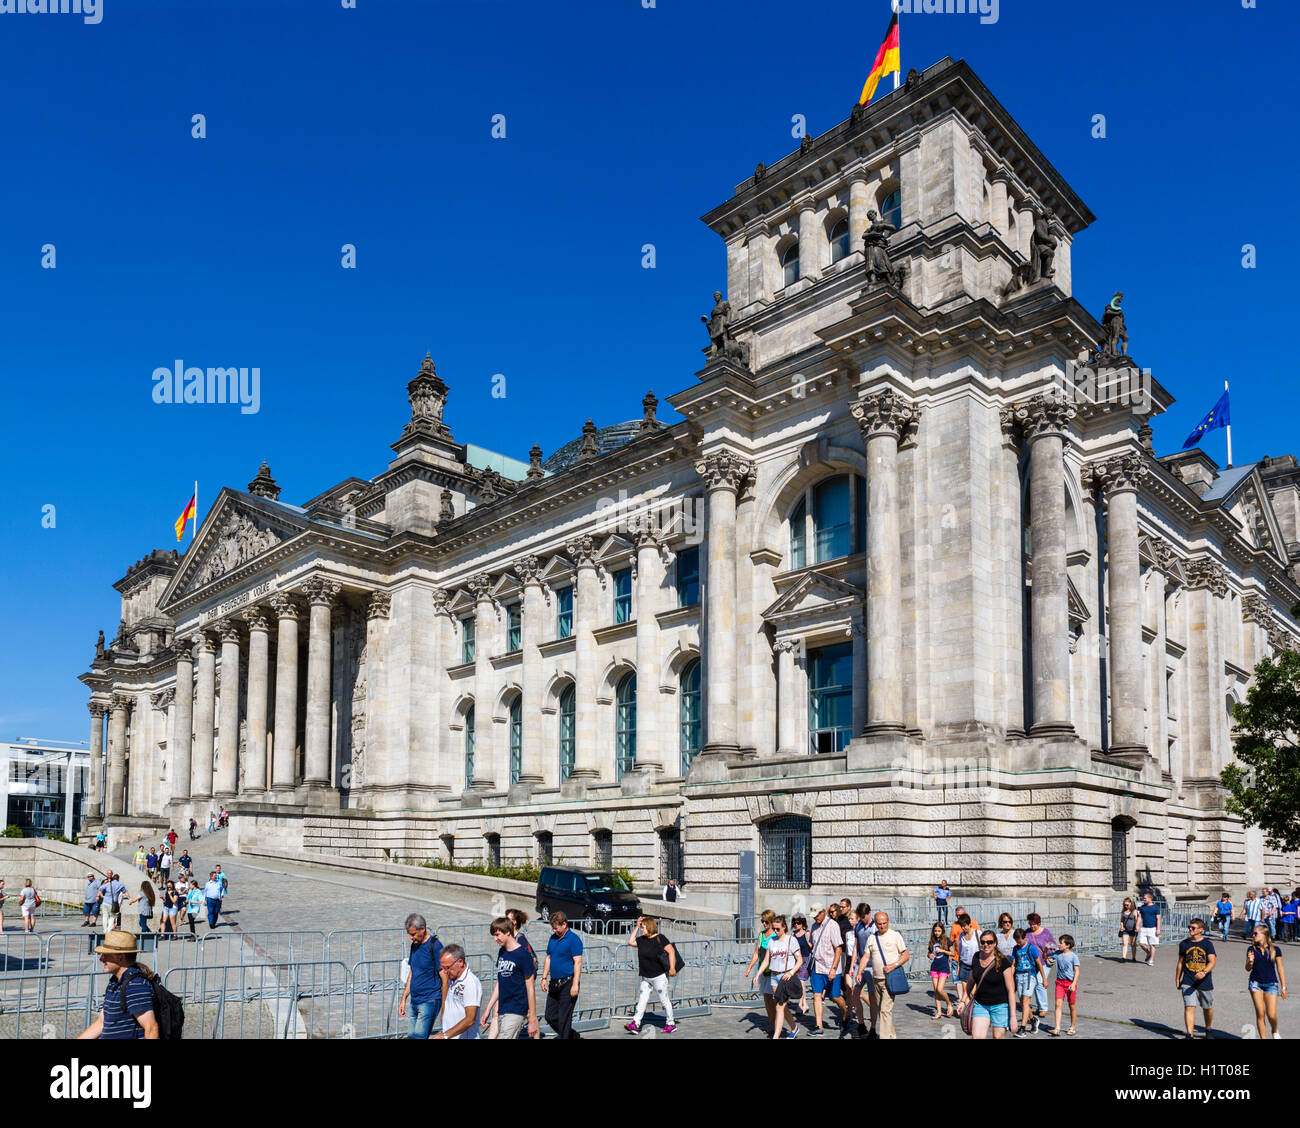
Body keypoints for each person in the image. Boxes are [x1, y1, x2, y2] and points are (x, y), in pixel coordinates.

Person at [76, 930, 159, 1040]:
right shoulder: (115, 981)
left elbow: (151, 1028)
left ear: (121, 957)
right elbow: (102, 1022)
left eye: (106, 955)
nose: (101, 959)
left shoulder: (135, 985)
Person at [482, 917, 538, 1040]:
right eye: (493, 935)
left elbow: (530, 989)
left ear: (507, 932)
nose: (495, 939)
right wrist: (488, 1008)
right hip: (503, 1008)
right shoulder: (502, 952)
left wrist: (532, 1019)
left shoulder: (523, 955)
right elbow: (500, 983)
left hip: (516, 1009)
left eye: (497, 934)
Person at [860, 910, 909, 1039]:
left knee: (885, 1010)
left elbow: (905, 955)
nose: (882, 926)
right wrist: (859, 971)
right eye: (879, 924)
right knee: (882, 1011)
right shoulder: (872, 937)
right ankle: (892, 1035)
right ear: (875, 923)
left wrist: (894, 965)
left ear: (888, 922)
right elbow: (866, 956)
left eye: (884, 923)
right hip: (876, 979)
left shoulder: (895, 935)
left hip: (890, 978)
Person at [625, 915, 678, 1034]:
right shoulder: (642, 939)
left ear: (649, 927)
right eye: (641, 928)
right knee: (642, 1000)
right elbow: (630, 941)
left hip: (659, 976)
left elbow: (671, 952)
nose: (642, 930)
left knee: (664, 1000)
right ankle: (635, 1023)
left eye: (643, 927)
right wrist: (637, 926)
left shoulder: (660, 938)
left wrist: (672, 968)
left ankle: (671, 1024)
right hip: (646, 976)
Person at [398, 913, 446, 1038]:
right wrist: (404, 998)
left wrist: (444, 1006)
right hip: (415, 1000)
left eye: (413, 934)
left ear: (422, 929)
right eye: (409, 934)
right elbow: (413, 972)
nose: (411, 937)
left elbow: (444, 977)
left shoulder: (435, 946)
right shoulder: (414, 946)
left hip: (429, 1000)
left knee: (419, 1037)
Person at [755, 914, 802, 1039]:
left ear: (784, 927)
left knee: (779, 1006)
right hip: (773, 977)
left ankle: (776, 1036)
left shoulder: (791, 940)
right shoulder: (772, 941)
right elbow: (766, 960)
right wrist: (758, 974)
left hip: (785, 977)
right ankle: (794, 1028)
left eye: (778, 929)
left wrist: (791, 972)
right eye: (774, 929)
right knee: (782, 1006)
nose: (775, 931)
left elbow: (800, 960)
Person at [966, 930, 1018, 1039]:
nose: (986, 945)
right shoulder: (976, 957)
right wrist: (963, 1000)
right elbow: (971, 980)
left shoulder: (1003, 961)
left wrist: (1013, 1017)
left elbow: (1011, 990)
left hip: (1000, 1005)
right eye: (983, 942)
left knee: (998, 1037)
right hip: (981, 1005)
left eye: (989, 942)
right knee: (977, 1037)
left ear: (995, 943)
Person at [540, 911, 583, 1039]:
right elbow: (548, 958)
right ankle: (573, 1036)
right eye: (552, 928)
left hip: (568, 982)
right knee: (550, 1015)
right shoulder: (552, 938)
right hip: (554, 982)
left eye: (556, 928)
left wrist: (575, 984)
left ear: (564, 924)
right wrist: (543, 977)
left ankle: (566, 1036)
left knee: (564, 1017)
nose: (554, 931)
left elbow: (578, 962)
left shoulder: (573, 939)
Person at [808, 902, 846, 1036]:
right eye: (813, 916)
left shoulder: (832, 925)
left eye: (817, 915)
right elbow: (813, 945)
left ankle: (845, 1013)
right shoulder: (814, 926)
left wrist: (834, 968)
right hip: (817, 967)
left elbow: (838, 948)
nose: (815, 918)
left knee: (835, 997)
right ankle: (819, 1026)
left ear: (823, 912)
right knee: (816, 995)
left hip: (831, 967)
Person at [1175, 917, 1216, 1038]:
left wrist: (1204, 972)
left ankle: (1208, 1029)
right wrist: (1177, 978)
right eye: (1189, 927)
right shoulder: (1184, 944)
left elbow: (1212, 961)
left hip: (1204, 981)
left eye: (1193, 928)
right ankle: (1189, 1034)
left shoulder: (1207, 944)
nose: (1190, 929)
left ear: (1201, 930)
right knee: (1189, 1006)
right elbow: (1180, 962)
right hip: (1188, 980)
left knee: (1207, 1007)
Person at [1246, 924, 1287, 1039]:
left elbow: (1280, 968)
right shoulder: (1251, 949)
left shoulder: (1276, 950)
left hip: (1271, 984)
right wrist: (1250, 961)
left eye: (1255, 933)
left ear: (1263, 935)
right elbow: (1247, 968)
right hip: (1255, 984)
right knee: (1260, 1014)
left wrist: (1284, 987)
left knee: (1271, 1015)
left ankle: (1274, 1029)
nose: (1253, 935)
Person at [741, 909, 777, 1034]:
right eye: (762, 921)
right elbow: (756, 953)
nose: (764, 924)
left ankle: (776, 1024)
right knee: (767, 999)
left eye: (766, 922)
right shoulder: (761, 935)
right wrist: (750, 967)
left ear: (772, 922)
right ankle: (772, 1023)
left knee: (771, 997)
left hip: (773, 972)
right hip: (763, 971)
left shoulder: (776, 936)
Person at [435, 944, 481, 1039]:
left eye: (447, 967)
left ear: (460, 962)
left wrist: (445, 1035)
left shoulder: (470, 982)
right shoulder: (452, 978)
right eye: (443, 968)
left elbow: (470, 1019)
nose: (445, 971)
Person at [1012, 927, 1046, 1035]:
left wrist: (1044, 979)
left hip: (1029, 976)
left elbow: (1039, 963)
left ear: (1025, 938)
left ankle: (1022, 1028)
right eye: (1017, 942)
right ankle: (1033, 1020)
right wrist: (1009, 978)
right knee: (1022, 1002)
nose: (1019, 943)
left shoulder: (1032, 948)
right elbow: (1013, 963)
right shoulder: (1015, 948)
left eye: (1020, 941)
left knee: (1026, 1001)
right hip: (1018, 975)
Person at [1025, 913, 1058, 1018]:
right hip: (1032, 962)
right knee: (1035, 983)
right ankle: (1040, 1007)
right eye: (1030, 924)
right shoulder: (1027, 933)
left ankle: (1043, 1008)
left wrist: (1050, 947)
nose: (1032, 926)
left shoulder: (1045, 932)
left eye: (1034, 924)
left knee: (1040, 981)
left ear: (1039, 923)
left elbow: (1054, 945)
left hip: (1044, 961)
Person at [1049, 934, 1080, 1036]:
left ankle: (1073, 1026)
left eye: (1061, 943)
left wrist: (1074, 983)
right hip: (1060, 983)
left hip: (1070, 983)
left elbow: (1077, 971)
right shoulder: (1057, 953)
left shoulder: (1073, 956)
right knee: (1058, 1004)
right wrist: (1046, 950)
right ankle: (1057, 1028)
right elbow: (1046, 957)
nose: (1059, 944)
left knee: (1072, 1006)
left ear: (1067, 945)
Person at [926, 921, 954, 1020]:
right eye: (935, 931)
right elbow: (929, 952)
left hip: (944, 967)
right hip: (934, 967)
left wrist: (942, 951)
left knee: (940, 989)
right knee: (936, 991)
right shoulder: (932, 941)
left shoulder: (947, 940)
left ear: (942, 931)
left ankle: (949, 1003)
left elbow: (953, 953)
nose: (937, 933)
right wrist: (930, 955)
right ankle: (939, 1012)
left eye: (939, 931)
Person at [953, 913, 981, 1009]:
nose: (963, 928)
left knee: (973, 992)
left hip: (975, 966)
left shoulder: (978, 934)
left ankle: (978, 1008)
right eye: (961, 926)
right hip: (964, 965)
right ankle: (969, 1012)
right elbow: (960, 952)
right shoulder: (961, 935)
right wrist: (958, 966)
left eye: (964, 926)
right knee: (966, 992)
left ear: (970, 924)